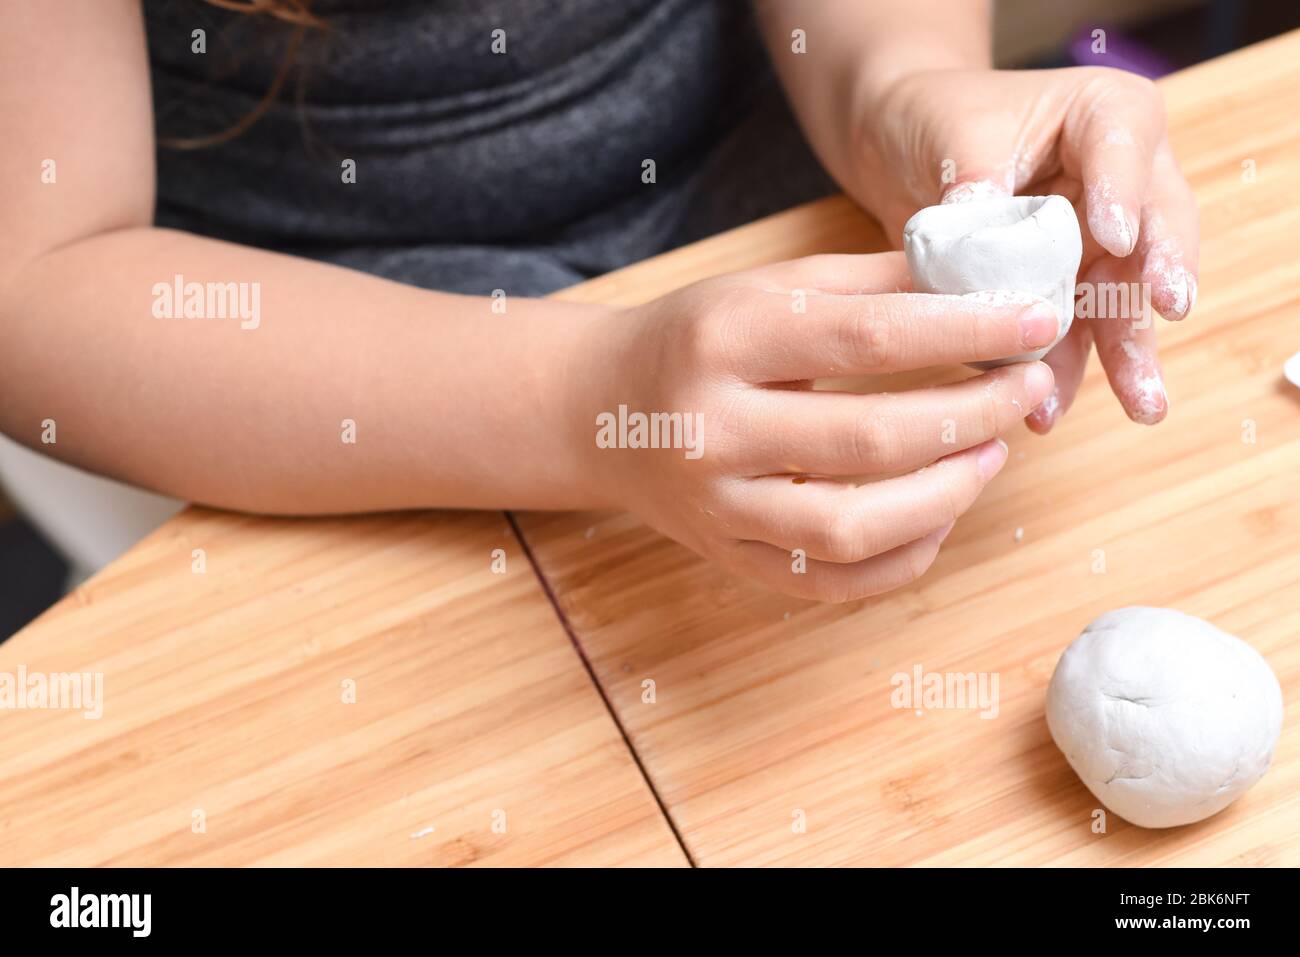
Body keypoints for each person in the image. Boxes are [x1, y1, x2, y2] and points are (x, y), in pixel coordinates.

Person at [0, 0, 1198, 602]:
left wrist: (901, 87)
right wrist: (593, 405)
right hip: (328, 354)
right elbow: (38, 279)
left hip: (767, 168)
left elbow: (875, 47)